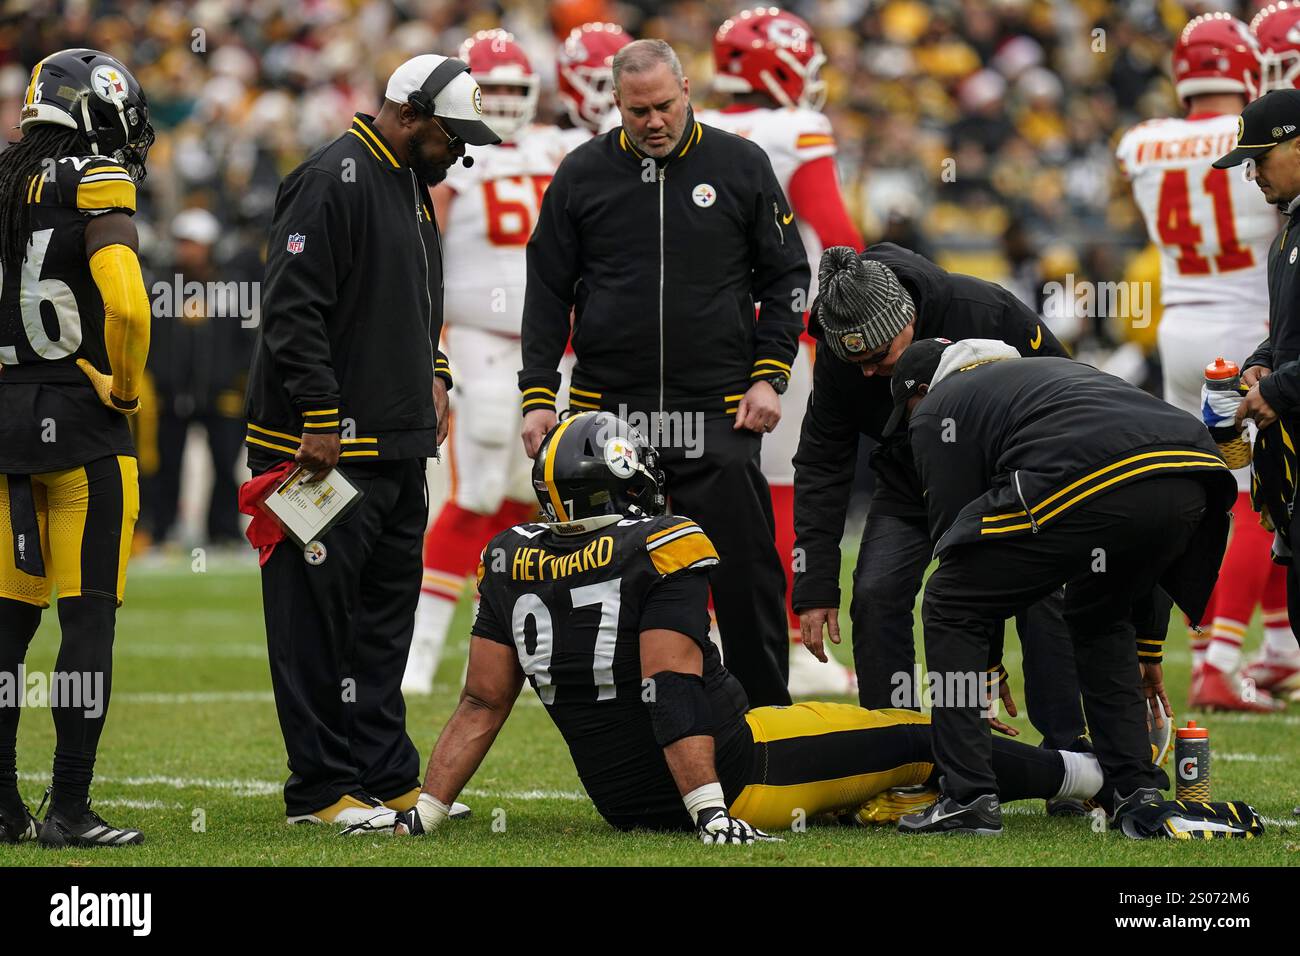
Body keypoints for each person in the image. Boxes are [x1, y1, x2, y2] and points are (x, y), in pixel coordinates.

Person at [393, 412, 1110, 841]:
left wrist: (427, 810)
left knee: (835, 730)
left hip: (623, 800)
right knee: (919, 733)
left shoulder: (510, 556)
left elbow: (483, 701)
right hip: (737, 775)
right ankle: (1089, 777)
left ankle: (880, 797)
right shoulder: (661, 541)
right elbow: (669, 686)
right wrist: (709, 811)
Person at [242, 53, 498, 830]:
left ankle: (384, 773)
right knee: (314, 624)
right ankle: (318, 790)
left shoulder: (408, 184)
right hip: (323, 451)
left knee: (382, 621)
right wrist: (319, 414)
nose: (463, 151)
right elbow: (292, 309)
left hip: (394, 444)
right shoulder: (330, 178)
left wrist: (439, 371)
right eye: (454, 135)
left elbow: (420, 300)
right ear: (412, 114)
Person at [520, 39, 809, 707]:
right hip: (606, 415)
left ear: (688, 92)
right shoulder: (582, 173)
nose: (653, 121)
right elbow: (545, 290)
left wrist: (771, 375)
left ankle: (765, 721)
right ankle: (626, 721)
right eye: (636, 110)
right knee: (612, 578)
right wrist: (538, 395)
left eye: (664, 106)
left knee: (745, 573)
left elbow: (788, 274)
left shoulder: (740, 164)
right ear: (615, 106)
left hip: (717, 406)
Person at [890, 338, 1235, 834]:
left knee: (948, 602)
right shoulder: (1052, 375)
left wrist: (983, 666)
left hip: (1099, 475)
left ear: (923, 391)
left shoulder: (939, 409)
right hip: (1193, 472)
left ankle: (968, 796)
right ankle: (1133, 788)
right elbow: (1144, 542)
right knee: (1099, 611)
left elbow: (958, 544)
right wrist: (1150, 649)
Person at [793, 245, 1089, 772]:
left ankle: (1068, 748)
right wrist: (814, 582)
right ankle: (896, 754)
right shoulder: (846, 356)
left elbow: (1066, 393)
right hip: (910, 479)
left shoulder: (987, 311)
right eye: (855, 361)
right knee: (876, 591)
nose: (868, 375)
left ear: (908, 319)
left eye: (880, 359)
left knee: (1040, 590)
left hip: (1005, 476)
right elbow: (822, 460)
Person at [1115, 12, 1291, 712]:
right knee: (1256, 496)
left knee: (1219, 491)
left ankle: (1273, 642)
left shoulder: (1142, 142)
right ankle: (1219, 657)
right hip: (1247, 328)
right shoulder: (1258, 131)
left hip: (1179, 326)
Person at [0, 48, 154, 846]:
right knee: (86, 622)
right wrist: (124, 388)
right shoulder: (96, 178)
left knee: (5, 629)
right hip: (83, 426)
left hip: (4, 423)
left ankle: (1, 805)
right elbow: (126, 307)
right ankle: (68, 807)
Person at [697, 6, 862, 696]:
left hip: (702, 337)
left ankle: (699, 632)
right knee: (789, 491)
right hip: (780, 336)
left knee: (705, 491)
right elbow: (837, 232)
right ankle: (798, 647)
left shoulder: (693, 126)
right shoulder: (795, 128)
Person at [403, 30, 572, 695]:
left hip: (548, 345)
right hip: (476, 336)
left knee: (533, 495)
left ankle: (515, 646)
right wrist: (431, 345)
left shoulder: (557, 147)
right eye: (490, 89)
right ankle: (418, 655)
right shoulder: (452, 153)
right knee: (475, 492)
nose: (501, 102)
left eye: (512, 90)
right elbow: (425, 249)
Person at [1218, 85, 1300, 703]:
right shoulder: (1290, 229)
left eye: (1258, 158)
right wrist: (1259, 366)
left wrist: (1284, 387)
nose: (1250, 175)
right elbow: (1287, 333)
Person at [145, 207, 254, 549]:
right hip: (171, 396)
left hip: (222, 396)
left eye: (193, 243)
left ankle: (223, 530)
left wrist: (241, 383)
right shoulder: (159, 286)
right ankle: (162, 529)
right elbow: (148, 339)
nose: (186, 250)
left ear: (209, 245)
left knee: (224, 466)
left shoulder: (235, 287)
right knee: (166, 466)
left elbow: (250, 340)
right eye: (182, 242)